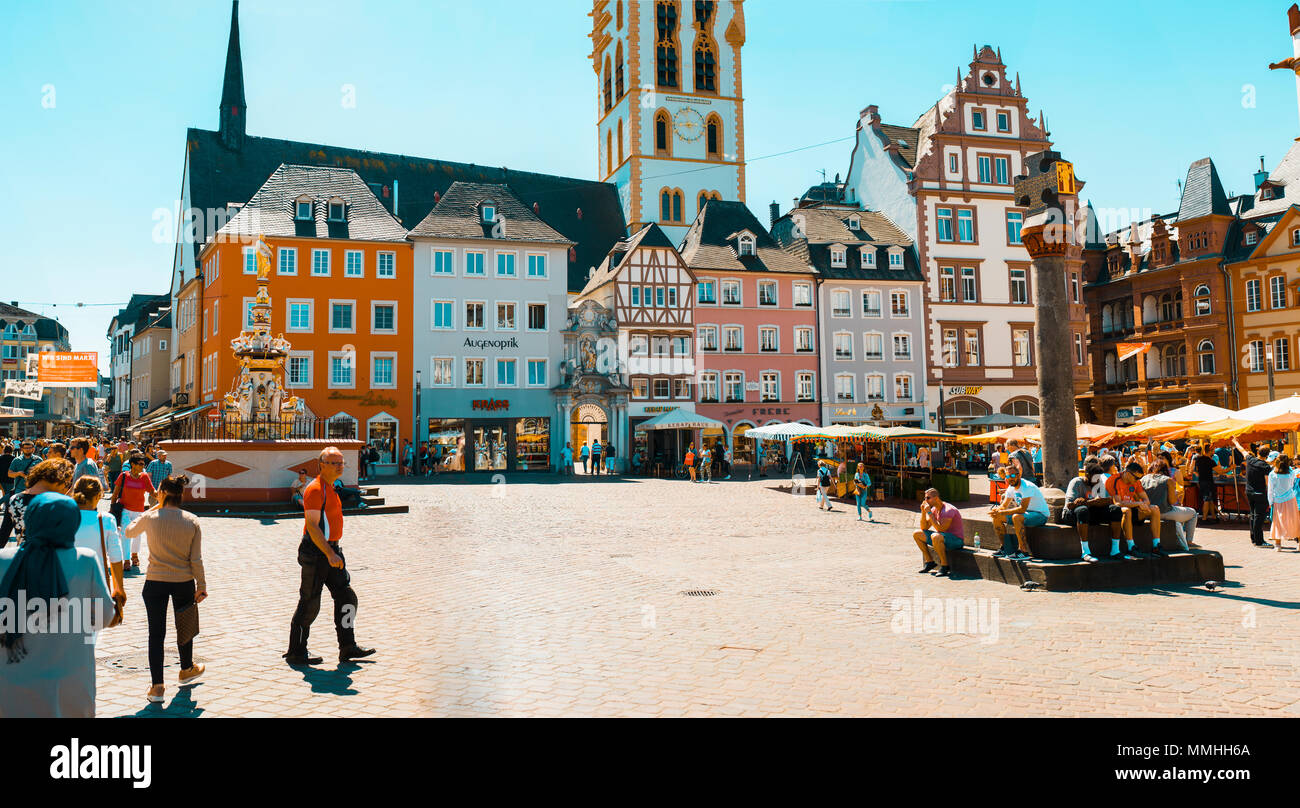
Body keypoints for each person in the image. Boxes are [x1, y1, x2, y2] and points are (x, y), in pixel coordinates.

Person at [0, 493, 116, 717]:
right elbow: (104, 617)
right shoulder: (85, 560)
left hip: (11, 682)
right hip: (70, 683)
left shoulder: (3, 560)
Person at [286, 447, 375, 666]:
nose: (340, 466)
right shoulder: (315, 489)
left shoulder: (331, 488)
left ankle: (347, 647)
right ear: (321, 465)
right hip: (316, 552)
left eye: (341, 462)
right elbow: (312, 526)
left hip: (332, 550)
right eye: (334, 462)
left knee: (347, 597)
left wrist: (333, 552)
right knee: (309, 602)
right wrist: (329, 553)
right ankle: (296, 651)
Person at [123, 475, 206, 702]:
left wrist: (153, 508)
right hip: (184, 581)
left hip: (155, 581)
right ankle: (186, 669)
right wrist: (202, 585)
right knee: (185, 626)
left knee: (156, 634)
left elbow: (129, 531)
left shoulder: (151, 518)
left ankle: (157, 686)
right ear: (181, 494)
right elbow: (196, 559)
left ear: (161, 493)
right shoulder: (192, 521)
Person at [71, 477, 126, 627]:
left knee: (70, 632)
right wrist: (119, 588)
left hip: (67, 584)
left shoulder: (63, 518)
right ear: (98, 496)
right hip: (96, 586)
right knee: (91, 633)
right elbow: (115, 557)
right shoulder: (106, 520)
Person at [1059, 459, 1123, 563]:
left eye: (1099, 479)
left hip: (1091, 512)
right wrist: (1091, 502)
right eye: (1095, 479)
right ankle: (1086, 552)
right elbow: (1070, 505)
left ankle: (1115, 550)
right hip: (1072, 515)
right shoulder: (1076, 482)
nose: (1097, 481)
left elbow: (1106, 501)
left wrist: (1092, 502)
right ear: (1087, 475)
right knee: (1082, 510)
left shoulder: (1099, 483)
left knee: (1115, 510)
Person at [1, 458, 74, 549]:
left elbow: (3, 536)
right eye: (67, 483)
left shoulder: (15, 500)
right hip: (53, 559)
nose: (66, 488)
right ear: (58, 479)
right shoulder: (61, 504)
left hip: (24, 557)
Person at [989, 464, 1050, 561]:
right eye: (1008, 476)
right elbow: (1004, 505)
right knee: (996, 517)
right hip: (1026, 514)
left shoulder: (1027, 486)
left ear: (1019, 475)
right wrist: (996, 511)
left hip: (1040, 515)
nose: (1010, 478)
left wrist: (1002, 512)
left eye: (1013, 476)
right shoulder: (1011, 487)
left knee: (1016, 517)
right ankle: (1005, 548)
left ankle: (1023, 551)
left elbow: (1022, 509)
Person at [1107, 461, 1164, 557]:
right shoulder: (1114, 480)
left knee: (1155, 508)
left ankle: (1156, 545)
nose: (1138, 480)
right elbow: (1117, 503)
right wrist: (1138, 503)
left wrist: (1142, 505)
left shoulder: (1136, 482)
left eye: (1140, 478)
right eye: (1137, 477)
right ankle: (1131, 546)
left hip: (1133, 509)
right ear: (1128, 474)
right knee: (1126, 510)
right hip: (1115, 513)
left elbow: (1147, 500)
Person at [112, 454, 155, 572]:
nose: (143, 466)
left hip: (139, 510)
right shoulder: (124, 476)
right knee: (126, 534)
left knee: (137, 535)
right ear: (133, 464)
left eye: (143, 464)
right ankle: (126, 560)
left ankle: (134, 555)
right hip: (125, 509)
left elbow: (152, 491)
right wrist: (112, 508)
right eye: (140, 464)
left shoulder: (144, 477)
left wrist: (163, 496)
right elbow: (115, 493)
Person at [1142, 459, 1197, 551]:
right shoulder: (1168, 480)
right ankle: (1189, 542)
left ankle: (1182, 541)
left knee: (1177, 522)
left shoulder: (1143, 479)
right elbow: (1172, 501)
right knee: (1193, 513)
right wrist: (1177, 495)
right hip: (1164, 512)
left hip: (1147, 513)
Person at [913, 488, 965, 578]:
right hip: (941, 537)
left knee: (936, 536)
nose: (925, 501)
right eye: (925, 498)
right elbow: (924, 527)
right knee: (917, 533)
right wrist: (923, 512)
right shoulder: (934, 509)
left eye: (928, 498)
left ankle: (945, 566)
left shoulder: (948, 510)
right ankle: (929, 562)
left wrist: (929, 512)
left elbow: (940, 529)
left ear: (936, 498)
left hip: (956, 540)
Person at [1239, 440, 1273, 547]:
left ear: (1258, 452)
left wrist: (1235, 442)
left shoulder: (1250, 460)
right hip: (1260, 493)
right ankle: (1259, 541)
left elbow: (1242, 450)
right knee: (1259, 516)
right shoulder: (1265, 467)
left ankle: (1253, 538)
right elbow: (1267, 482)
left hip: (1249, 491)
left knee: (1253, 515)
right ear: (1267, 455)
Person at [1267, 454, 1300, 551]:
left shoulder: (1273, 474)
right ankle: (1298, 544)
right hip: (1290, 499)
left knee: (1277, 522)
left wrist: (1270, 502)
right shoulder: (1291, 472)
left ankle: (1278, 545)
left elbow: (1270, 490)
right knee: (1295, 521)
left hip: (1278, 500)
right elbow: (1292, 483)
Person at [1192, 445, 1222, 524]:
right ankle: (1204, 519)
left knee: (1210, 500)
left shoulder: (1199, 459)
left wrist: (1201, 476)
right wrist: (1231, 467)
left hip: (1201, 481)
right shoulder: (1210, 461)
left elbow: (1195, 470)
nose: (1214, 452)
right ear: (1210, 451)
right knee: (1207, 500)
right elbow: (1220, 471)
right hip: (1208, 482)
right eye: (1213, 450)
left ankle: (1214, 517)